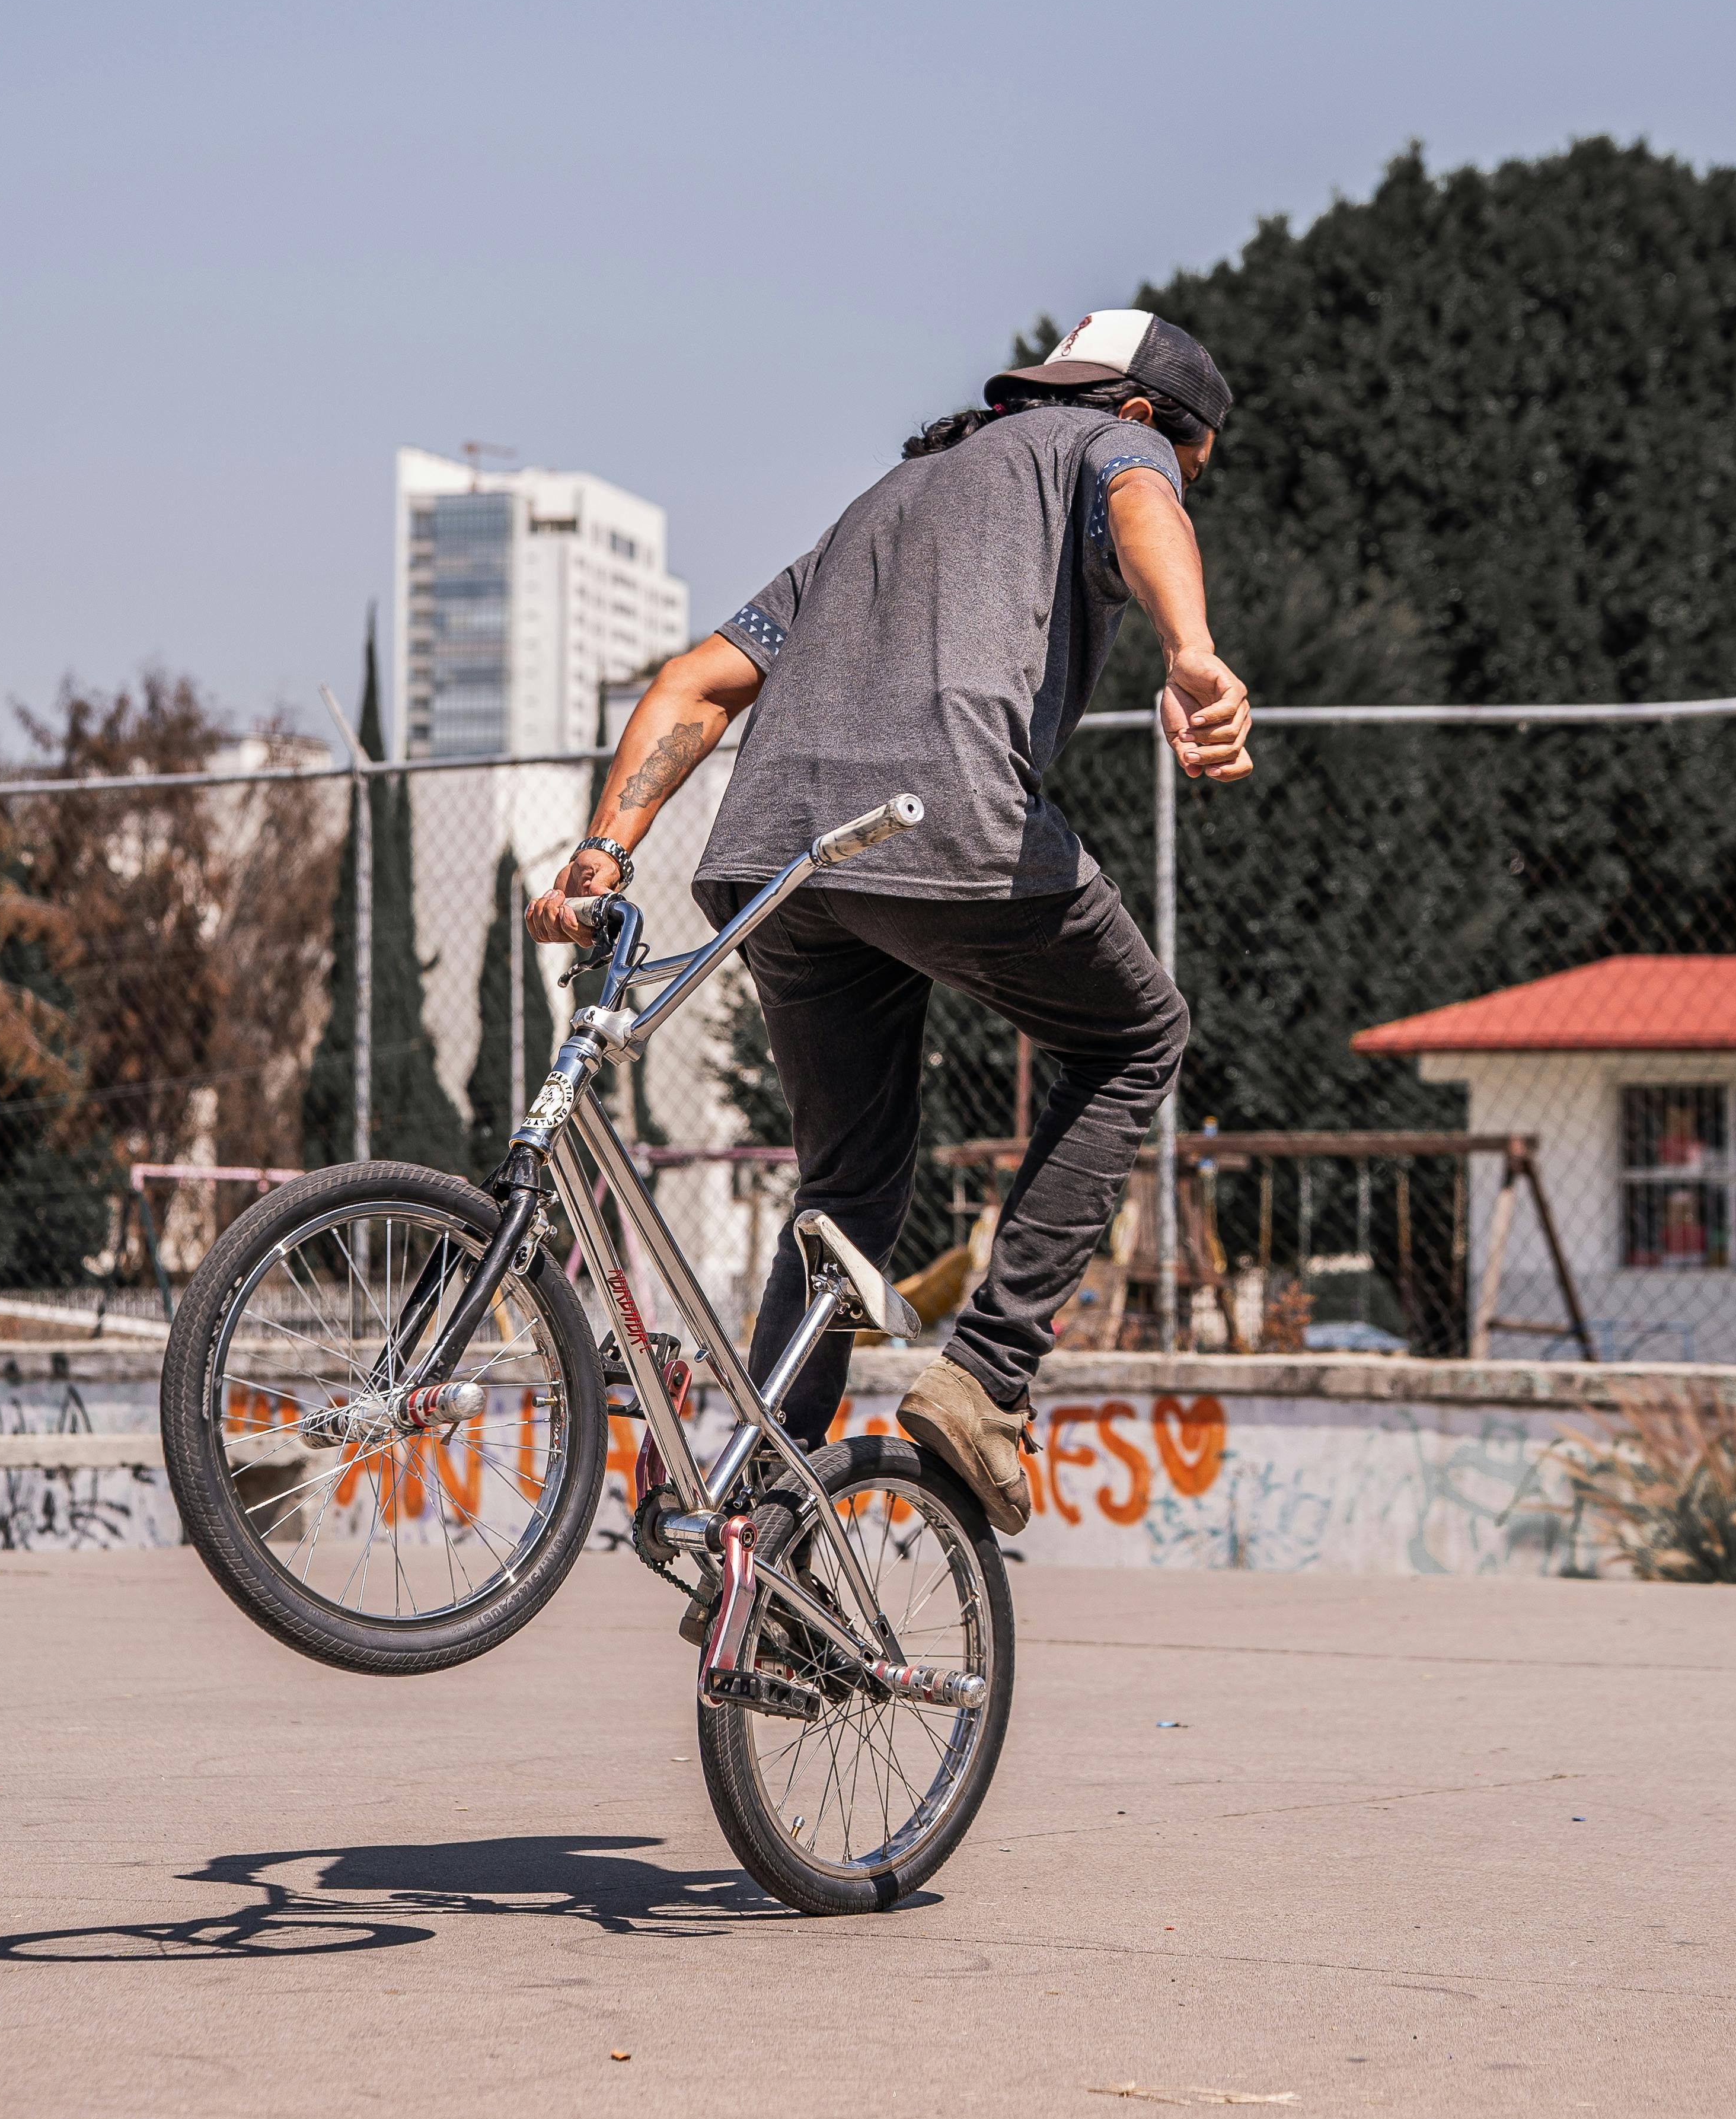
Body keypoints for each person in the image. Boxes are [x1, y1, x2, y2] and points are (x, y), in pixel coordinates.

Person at [528, 308, 1253, 1532]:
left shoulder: (888, 498)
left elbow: (694, 682)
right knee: (1135, 1035)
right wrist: (1190, 649)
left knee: (847, 1179)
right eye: (1194, 468)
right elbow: (1145, 506)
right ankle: (984, 1375)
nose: (1181, 494)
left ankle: (757, 1487)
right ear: (1137, 414)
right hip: (944, 819)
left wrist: (603, 853)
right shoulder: (1101, 445)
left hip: (773, 859)